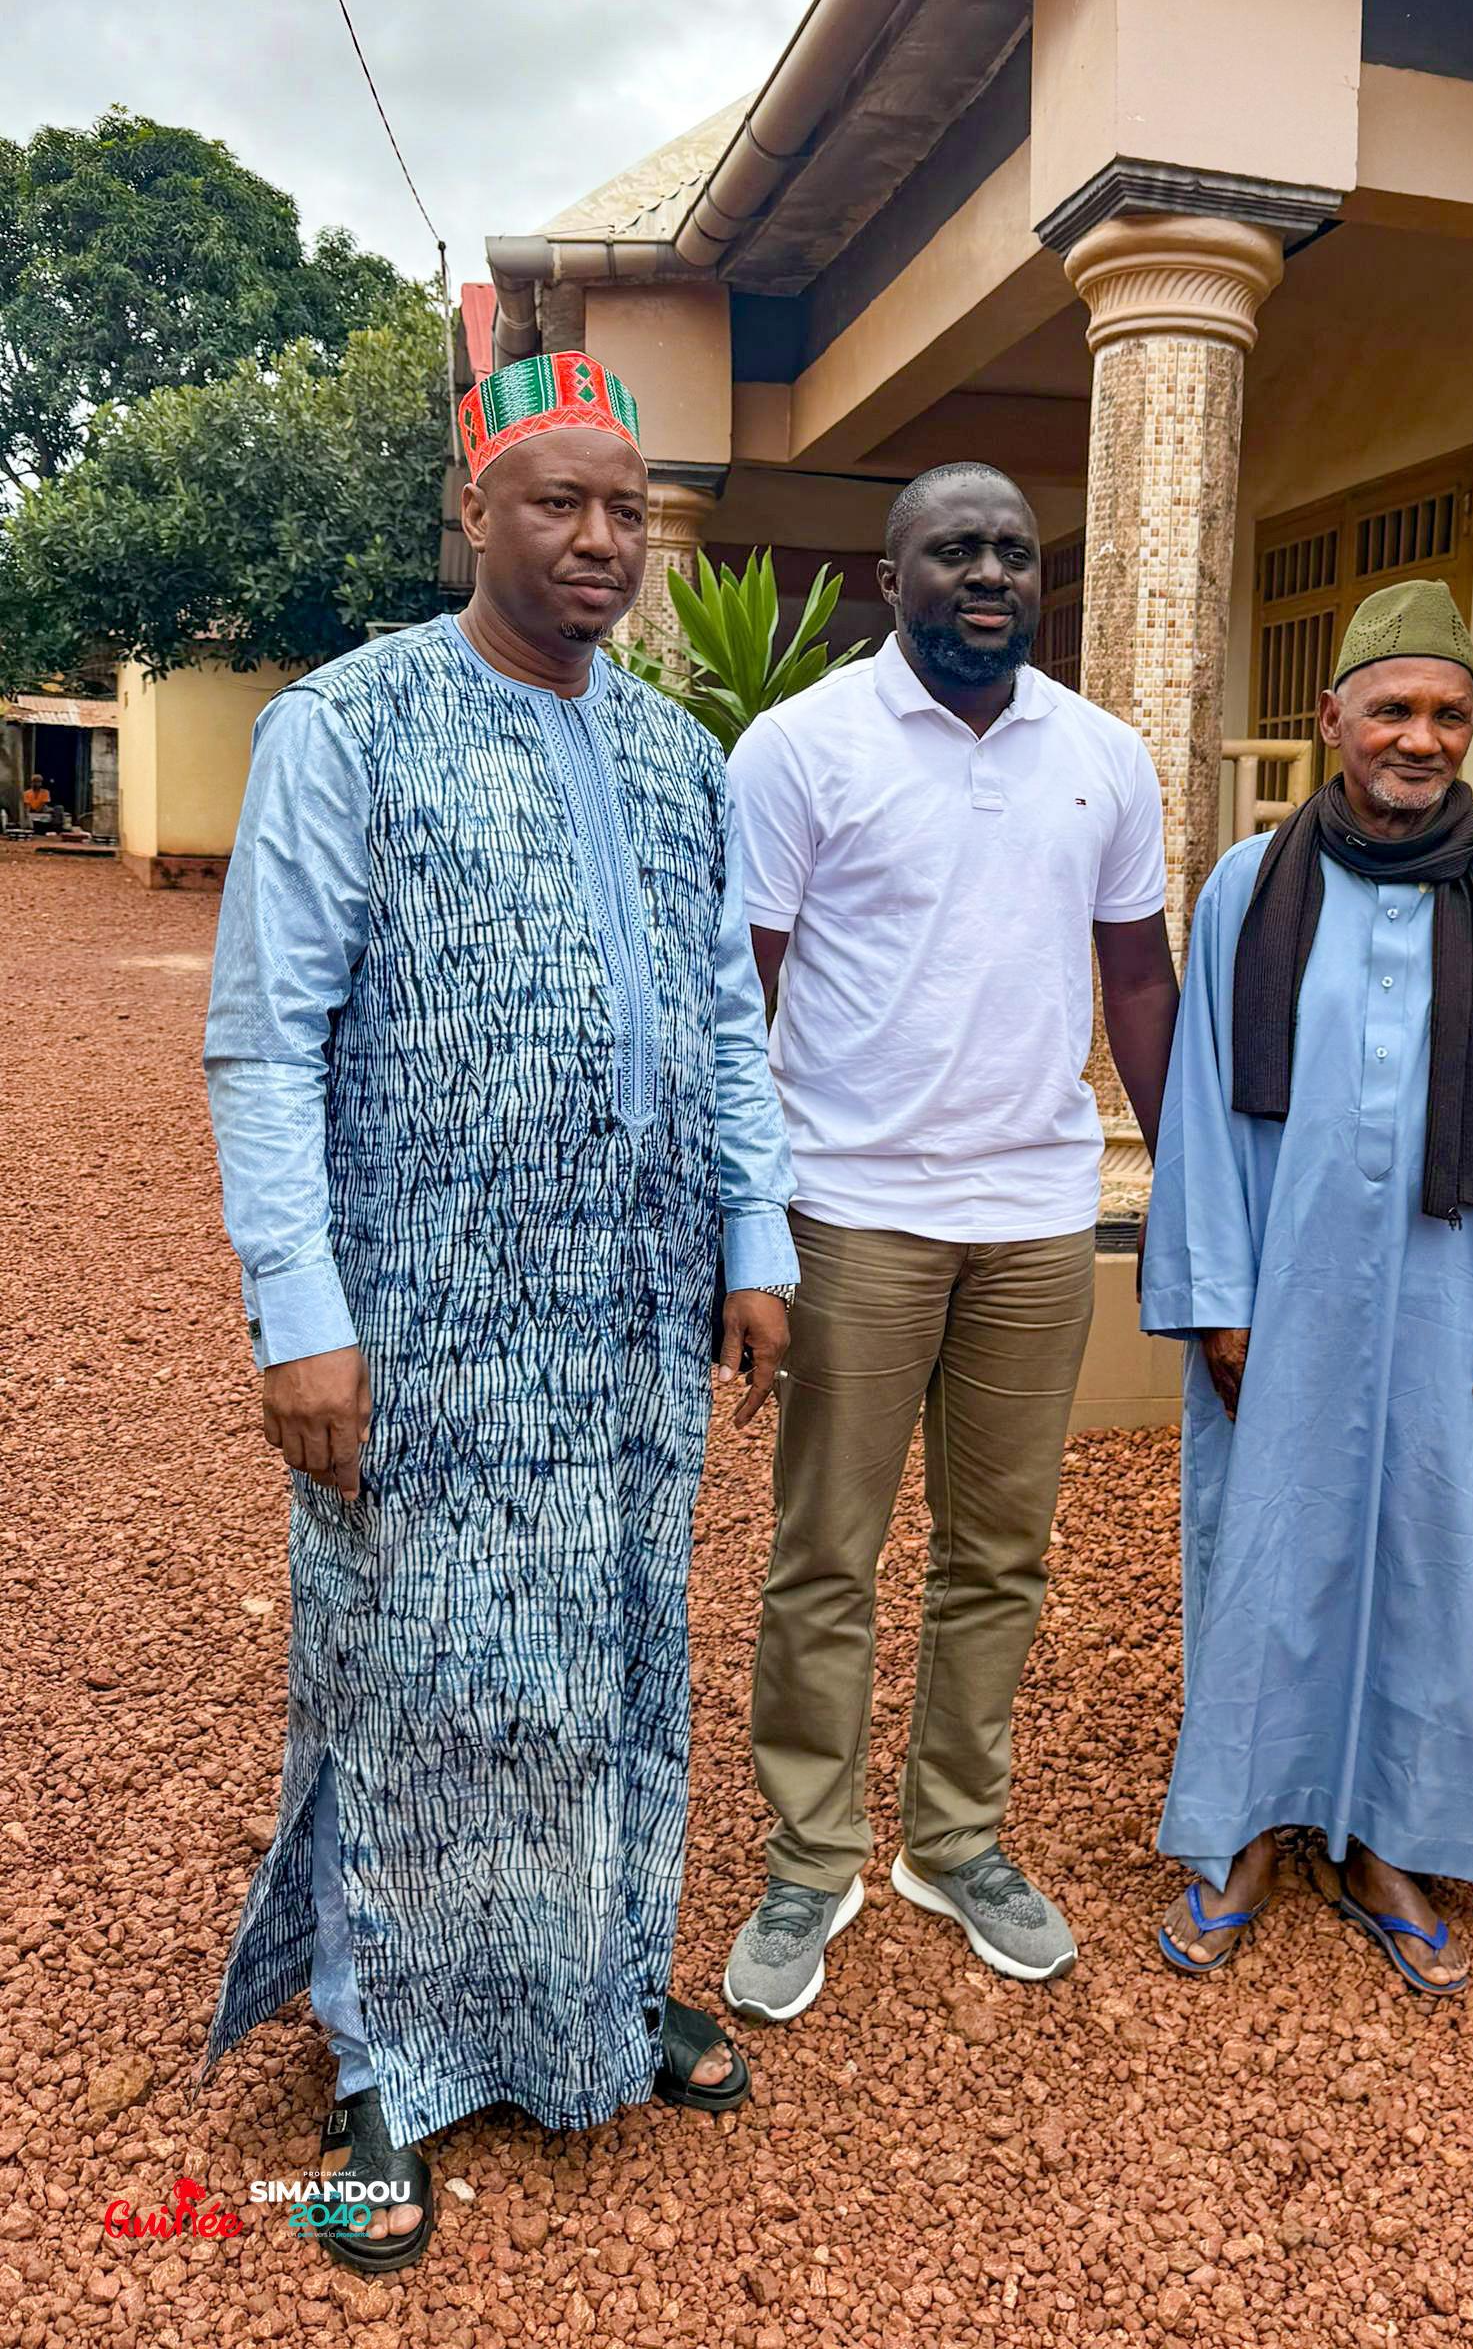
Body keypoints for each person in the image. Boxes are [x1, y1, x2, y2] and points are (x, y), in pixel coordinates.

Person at [197, 350, 799, 2275]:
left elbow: (719, 1022)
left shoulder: (677, 758)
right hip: (422, 1317)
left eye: (629, 508)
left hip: (627, 1322)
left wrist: (757, 1236)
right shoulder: (349, 726)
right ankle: (383, 2064)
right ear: (475, 508)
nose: (605, 542)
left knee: (615, 1644)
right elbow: (264, 1039)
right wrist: (299, 1306)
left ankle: (596, 2000)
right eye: (562, 502)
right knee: (413, 1672)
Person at [721, 462, 1179, 2023]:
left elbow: (1137, 983)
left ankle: (955, 1839)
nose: (989, 573)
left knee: (1001, 1552)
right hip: (851, 1209)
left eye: (1013, 551)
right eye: (955, 550)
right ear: (891, 570)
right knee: (826, 1554)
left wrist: (1181, 1176)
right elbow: (744, 994)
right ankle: (811, 1856)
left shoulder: (1103, 756)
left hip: (1039, 1216)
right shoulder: (802, 748)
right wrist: (745, 1217)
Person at [1141, 578, 1473, 1994]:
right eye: (1394, 710)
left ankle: (1391, 1841)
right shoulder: (1249, 886)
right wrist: (1214, 1289)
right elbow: (1209, 1106)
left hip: (1450, 1291)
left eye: (1449, 714)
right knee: (1264, 1542)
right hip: (1283, 1287)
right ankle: (1240, 1826)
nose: (1421, 739)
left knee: (1441, 1557)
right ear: (1332, 718)